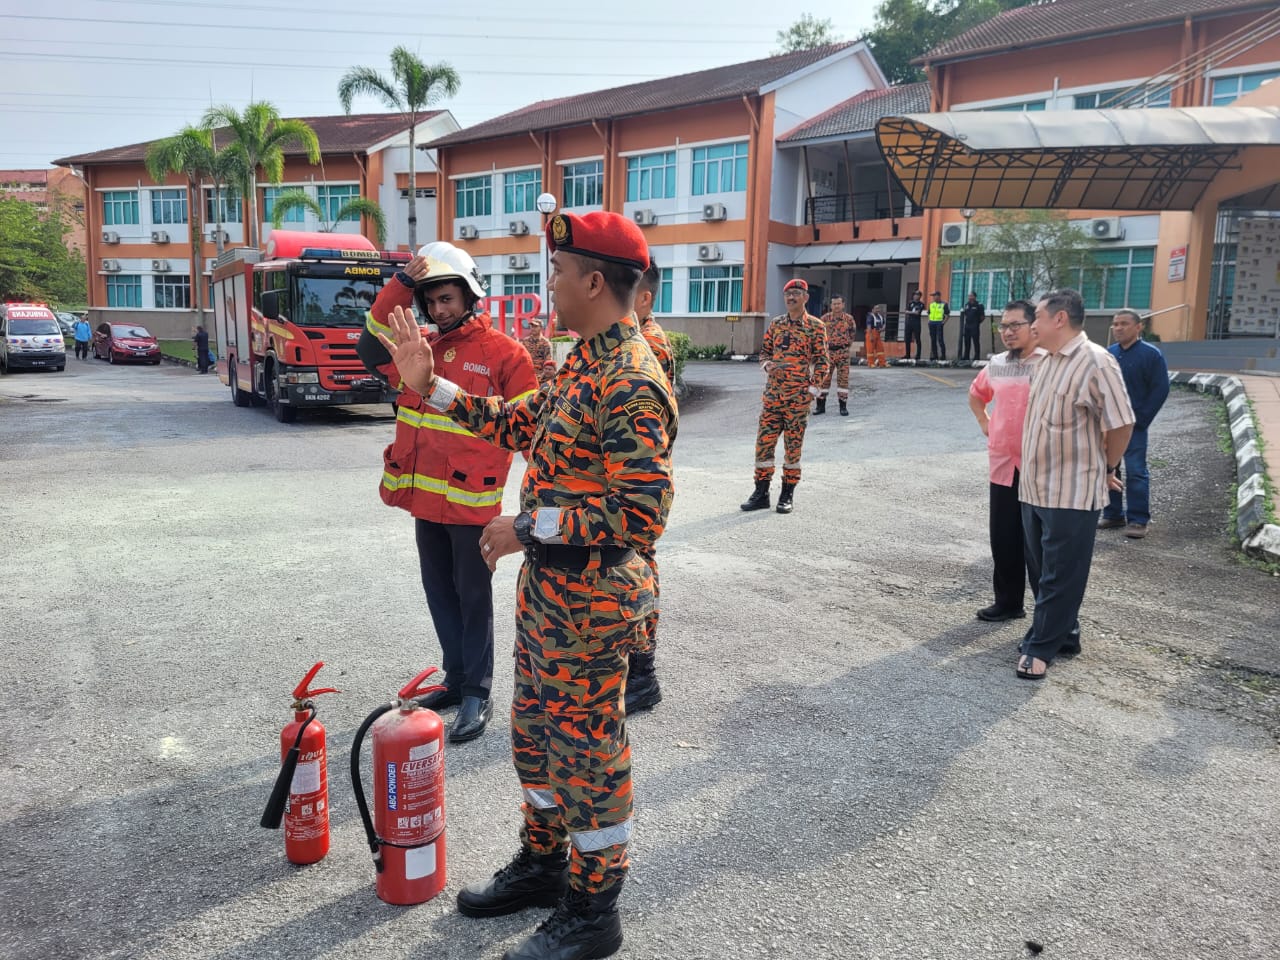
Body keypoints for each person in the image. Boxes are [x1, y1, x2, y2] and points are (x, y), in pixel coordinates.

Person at [375, 210, 674, 960]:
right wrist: (432, 388)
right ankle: (545, 865)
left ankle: (594, 909)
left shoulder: (633, 378)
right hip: (551, 599)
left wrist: (527, 526)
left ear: (595, 281)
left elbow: (641, 515)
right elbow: (515, 423)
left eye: (560, 271)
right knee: (536, 740)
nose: (551, 283)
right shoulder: (580, 362)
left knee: (589, 754)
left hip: (596, 599)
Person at [358, 242, 538, 744]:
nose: (439, 309)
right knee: (439, 594)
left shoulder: (506, 353)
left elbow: (528, 432)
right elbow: (369, 346)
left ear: (470, 295)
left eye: (447, 299)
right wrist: (400, 285)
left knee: (473, 598)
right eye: (431, 300)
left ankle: (478, 689)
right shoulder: (419, 348)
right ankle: (456, 679)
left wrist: (537, 507)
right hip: (424, 501)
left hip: (472, 506)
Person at [1017, 289, 1134, 680]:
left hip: (1071, 489)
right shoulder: (1046, 362)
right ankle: (1064, 633)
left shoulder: (1097, 362)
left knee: (1060, 572)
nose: (1032, 324)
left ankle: (1040, 648)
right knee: (1040, 568)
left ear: (1060, 319)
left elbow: (1121, 423)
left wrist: (1109, 465)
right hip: (1034, 487)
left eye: (1038, 317)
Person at [967, 300, 1046, 623]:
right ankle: (1009, 602)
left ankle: (1049, 615)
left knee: (1040, 544)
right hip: (1003, 464)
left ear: (1034, 328)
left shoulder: (1048, 362)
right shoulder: (997, 363)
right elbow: (976, 394)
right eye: (1004, 326)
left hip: (1039, 465)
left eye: (1016, 325)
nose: (1009, 332)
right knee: (1004, 537)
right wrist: (985, 422)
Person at [627, 259, 677, 716]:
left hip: (639, 485)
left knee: (639, 570)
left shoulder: (649, 346)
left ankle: (643, 675)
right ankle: (637, 671)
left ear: (644, 298)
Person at [740, 278, 828, 514]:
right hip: (772, 399)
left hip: (797, 401)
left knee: (793, 448)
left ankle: (787, 494)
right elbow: (765, 351)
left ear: (805, 298)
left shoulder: (816, 327)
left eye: (796, 294)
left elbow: (822, 362)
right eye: (788, 294)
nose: (791, 298)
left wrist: (812, 390)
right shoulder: (776, 324)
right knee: (763, 446)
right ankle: (761, 493)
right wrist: (767, 364)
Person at [1099, 309, 1170, 539]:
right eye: (1115, 324)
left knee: (1136, 471)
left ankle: (1138, 519)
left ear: (1139, 327)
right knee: (1109, 468)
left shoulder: (1151, 355)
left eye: (1124, 324)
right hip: (1109, 425)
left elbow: (1160, 389)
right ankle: (1113, 513)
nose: (1118, 328)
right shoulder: (1109, 354)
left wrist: (1142, 419)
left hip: (1135, 425)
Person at [816, 295, 853, 415]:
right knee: (824, 380)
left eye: (839, 303)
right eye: (834, 304)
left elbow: (852, 334)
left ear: (843, 305)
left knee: (843, 380)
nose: (836, 306)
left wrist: (845, 345)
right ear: (831, 305)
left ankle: (843, 407)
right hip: (828, 353)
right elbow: (818, 334)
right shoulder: (824, 319)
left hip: (843, 353)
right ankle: (820, 406)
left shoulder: (848, 319)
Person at [522, 316, 557, 385]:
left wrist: (543, 374)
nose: (533, 328)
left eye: (535, 326)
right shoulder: (525, 341)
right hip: (527, 374)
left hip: (541, 376)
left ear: (541, 328)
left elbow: (547, 361)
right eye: (531, 326)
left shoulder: (545, 343)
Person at [958, 292, 986, 365]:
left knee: (975, 341)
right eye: (969, 296)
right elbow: (966, 315)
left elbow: (982, 317)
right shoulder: (967, 305)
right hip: (967, 325)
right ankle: (966, 356)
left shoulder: (979, 305)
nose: (970, 297)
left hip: (975, 325)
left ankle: (976, 356)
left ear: (974, 297)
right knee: (967, 341)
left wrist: (977, 323)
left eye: (971, 296)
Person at [927, 291, 950, 362]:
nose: (933, 297)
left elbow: (947, 315)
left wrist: (943, 323)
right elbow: (929, 313)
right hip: (932, 323)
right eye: (933, 296)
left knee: (940, 340)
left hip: (939, 323)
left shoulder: (944, 304)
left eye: (935, 296)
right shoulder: (931, 304)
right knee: (933, 340)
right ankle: (935, 356)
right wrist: (929, 321)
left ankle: (943, 356)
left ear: (939, 296)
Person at [903, 290, 925, 362]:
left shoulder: (921, 304)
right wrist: (912, 312)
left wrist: (910, 312)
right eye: (915, 295)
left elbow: (917, 313)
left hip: (916, 323)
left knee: (917, 339)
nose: (915, 296)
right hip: (909, 322)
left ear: (920, 296)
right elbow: (906, 311)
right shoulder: (910, 303)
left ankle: (918, 355)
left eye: (917, 295)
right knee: (907, 339)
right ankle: (907, 354)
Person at [865, 302, 888, 368]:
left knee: (880, 349)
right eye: (876, 308)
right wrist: (871, 336)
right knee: (870, 349)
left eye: (878, 308)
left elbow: (884, 324)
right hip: (871, 333)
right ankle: (871, 363)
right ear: (872, 309)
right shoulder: (870, 316)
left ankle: (882, 363)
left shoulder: (880, 316)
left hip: (878, 333)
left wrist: (883, 328)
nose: (878, 309)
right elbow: (869, 326)